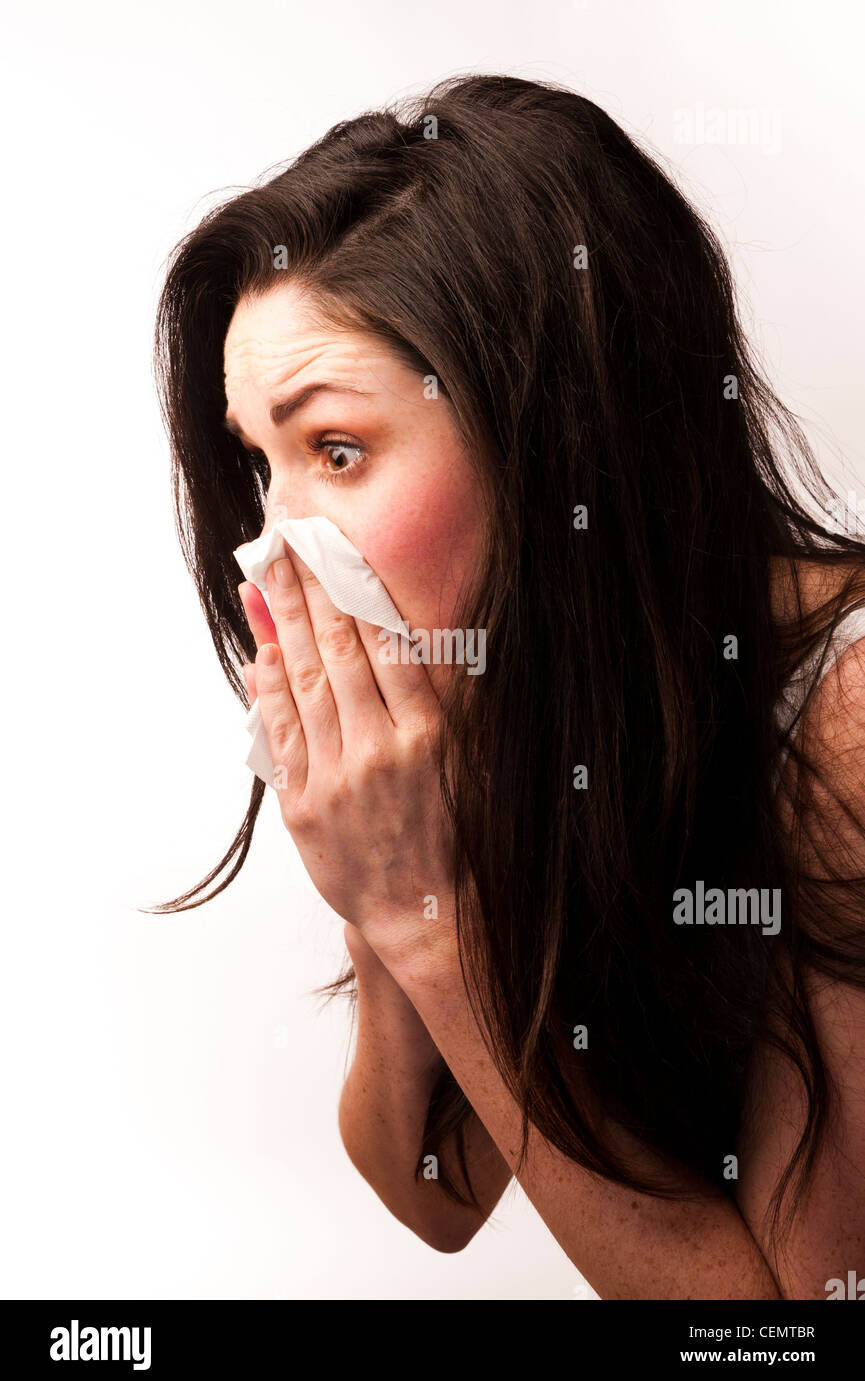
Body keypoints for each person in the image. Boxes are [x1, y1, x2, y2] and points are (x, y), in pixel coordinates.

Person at [151, 73, 865, 1299]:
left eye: (336, 449)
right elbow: (431, 1189)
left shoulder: (842, 728)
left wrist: (427, 916)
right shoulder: (518, 699)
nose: (273, 546)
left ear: (556, 447)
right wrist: (391, 902)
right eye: (259, 464)